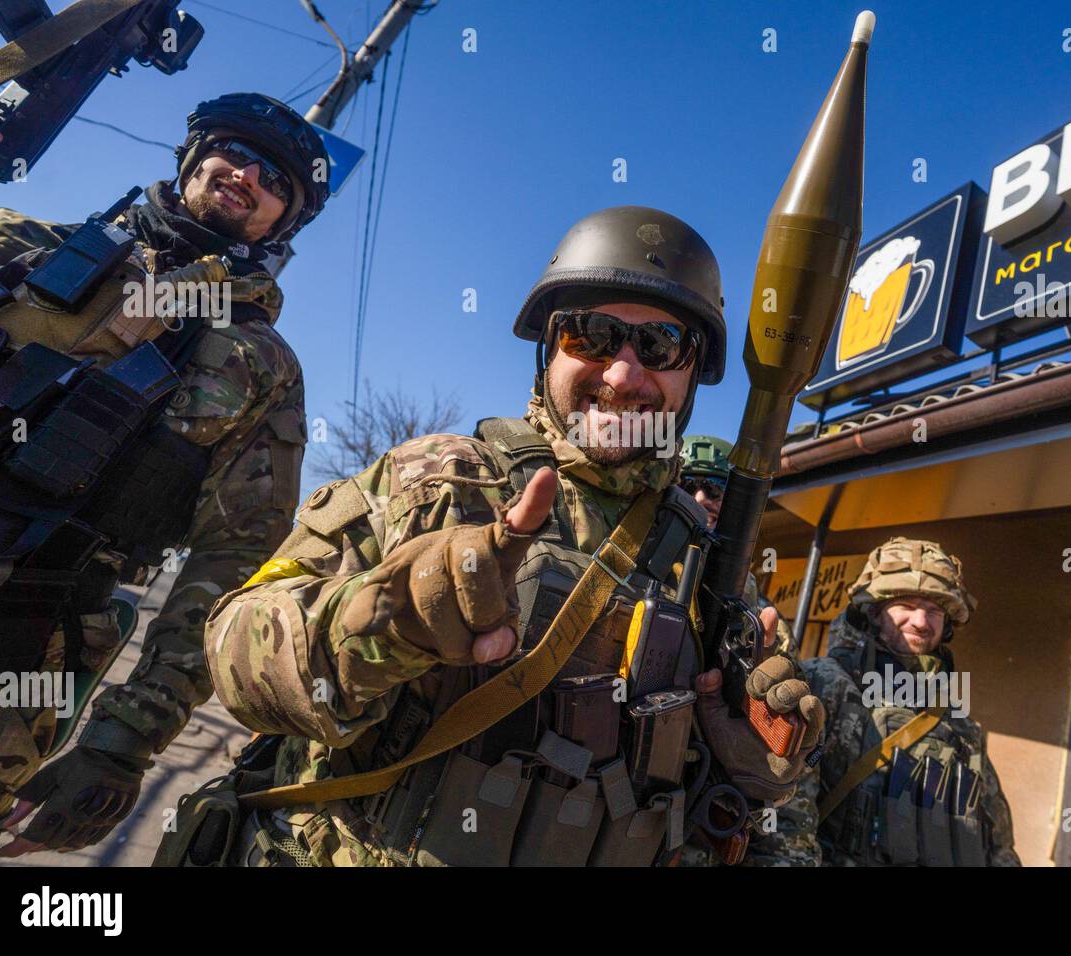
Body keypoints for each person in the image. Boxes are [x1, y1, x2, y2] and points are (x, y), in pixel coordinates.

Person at [183, 205, 823, 867]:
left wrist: (752, 771)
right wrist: (377, 625)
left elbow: (732, 815)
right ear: (549, 349)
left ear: (692, 374)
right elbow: (232, 650)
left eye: (661, 345)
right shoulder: (436, 483)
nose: (625, 376)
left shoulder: (710, 573)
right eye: (593, 337)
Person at [0, 92, 329, 864]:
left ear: (284, 225)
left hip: (11, 657)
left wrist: (122, 744)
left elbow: (232, 566)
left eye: (276, 181)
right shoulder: (20, 243)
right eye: (234, 152)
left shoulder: (261, 367)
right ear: (192, 158)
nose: (248, 175)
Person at [750, 536, 1020, 866]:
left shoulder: (956, 720)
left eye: (934, 610)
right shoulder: (824, 685)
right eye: (906, 606)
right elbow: (785, 818)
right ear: (875, 613)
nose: (921, 622)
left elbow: (995, 836)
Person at [678, 434, 796, 656]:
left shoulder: (750, 599)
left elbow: (785, 669)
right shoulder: (640, 559)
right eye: (687, 487)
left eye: (714, 489)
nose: (700, 499)